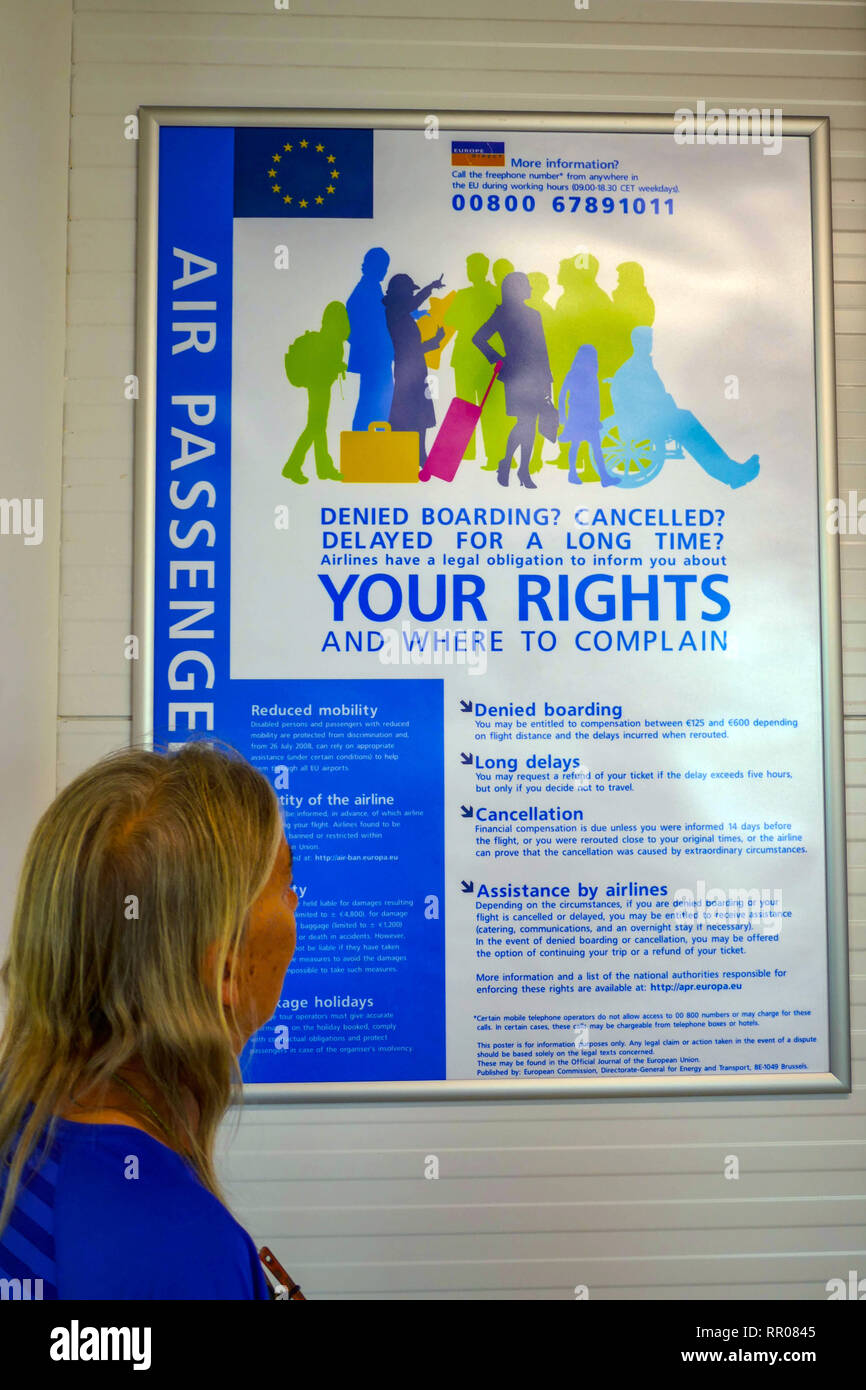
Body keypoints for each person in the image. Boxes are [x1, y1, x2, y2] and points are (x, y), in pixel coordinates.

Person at [0, 742, 298, 1299]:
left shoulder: (25, 1133)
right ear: (225, 971)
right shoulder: (178, 1251)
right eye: (284, 883)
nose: (296, 903)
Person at [609, 327, 760, 488]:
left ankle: (731, 471)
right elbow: (645, 399)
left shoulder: (642, 366)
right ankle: (730, 473)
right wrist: (668, 410)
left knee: (685, 420)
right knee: (685, 423)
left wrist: (668, 408)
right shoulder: (634, 368)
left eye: (650, 340)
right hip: (641, 422)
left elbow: (658, 396)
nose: (649, 344)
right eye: (645, 341)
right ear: (636, 342)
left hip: (651, 417)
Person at [472, 270, 553, 489]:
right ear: (516, 289)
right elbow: (478, 338)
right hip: (517, 378)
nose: (531, 288)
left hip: (534, 378)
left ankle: (513, 466)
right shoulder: (503, 315)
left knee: (528, 425)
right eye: (526, 284)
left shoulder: (534, 315)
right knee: (525, 424)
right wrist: (499, 360)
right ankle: (517, 468)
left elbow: (541, 350)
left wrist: (548, 380)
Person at [384, 271, 446, 470]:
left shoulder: (402, 315)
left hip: (415, 370)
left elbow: (413, 347)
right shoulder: (395, 312)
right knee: (406, 413)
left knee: (418, 414)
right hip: (407, 371)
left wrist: (434, 342)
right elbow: (407, 347)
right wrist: (430, 288)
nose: (412, 296)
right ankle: (403, 454)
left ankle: (419, 454)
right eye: (409, 292)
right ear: (401, 293)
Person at [282, 300, 349, 484]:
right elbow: (325, 364)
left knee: (318, 427)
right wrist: (339, 365)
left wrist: (336, 366)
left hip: (319, 386)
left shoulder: (326, 337)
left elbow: (324, 363)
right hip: (320, 387)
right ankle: (293, 466)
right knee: (315, 427)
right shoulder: (332, 340)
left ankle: (322, 468)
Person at [443, 254, 498, 462]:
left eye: (471, 267)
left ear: (478, 270)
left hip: (472, 357)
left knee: (468, 407)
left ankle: (469, 453)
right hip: (483, 358)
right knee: (486, 407)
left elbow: (450, 318)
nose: (469, 271)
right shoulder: (494, 293)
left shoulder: (465, 295)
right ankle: (490, 454)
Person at [345, 247, 394, 431]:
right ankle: (367, 442)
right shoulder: (367, 289)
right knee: (376, 402)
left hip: (377, 356)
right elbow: (352, 324)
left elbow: (386, 315)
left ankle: (369, 440)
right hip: (375, 358)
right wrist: (367, 345)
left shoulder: (370, 287)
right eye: (383, 266)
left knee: (374, 401)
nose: (385, 271)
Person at [558, 344, 616, 486]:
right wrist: (562, 416)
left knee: (595, 446)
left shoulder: (592, 373)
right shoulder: (574, 374)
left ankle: (604, 477)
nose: (592, 360)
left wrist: (596, 417)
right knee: (576, 444)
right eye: (590, 357)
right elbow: (562, 395)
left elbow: (596, 398)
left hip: (589, 417)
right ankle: (573, 473)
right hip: (577, 416)